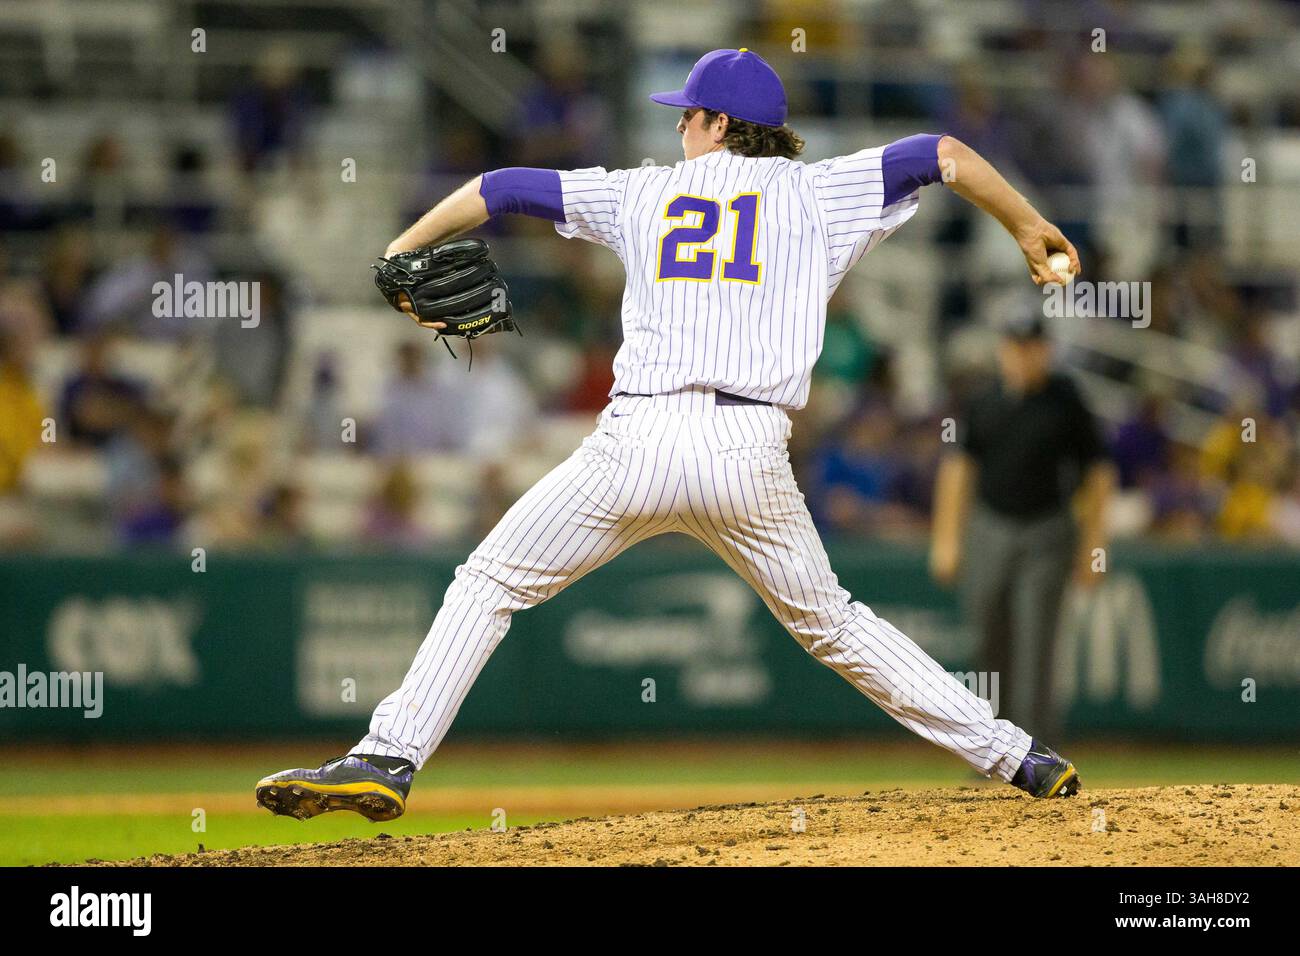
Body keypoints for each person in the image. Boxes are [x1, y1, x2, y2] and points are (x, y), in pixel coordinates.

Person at [257, 49, 1086, 823]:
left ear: (719, 125)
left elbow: (502, 185)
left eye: (688, 115)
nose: (678, 126)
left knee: (489, 583)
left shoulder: (642, 192)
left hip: (637, 443)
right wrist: (1024, 226)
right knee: (834, 625)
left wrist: (402, 248)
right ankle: (1020, 757)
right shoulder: (819, 190)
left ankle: (390, 758)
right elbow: (941, 152)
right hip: (748, 448)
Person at [930, 314, 1115, 741]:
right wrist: (945, 540)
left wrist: (1094, 546)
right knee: (987, 640)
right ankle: (989, 747)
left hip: (1047, 529)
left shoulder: (1066, 397)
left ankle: (1038, 750)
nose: (1023, 355)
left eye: (1031, 346)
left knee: (1037, 643)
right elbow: (957, 468)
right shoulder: (982, 399)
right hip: (990, 526)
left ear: (1045, 350)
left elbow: (1099, 472)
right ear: (1002, 349)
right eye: (1015, 345)